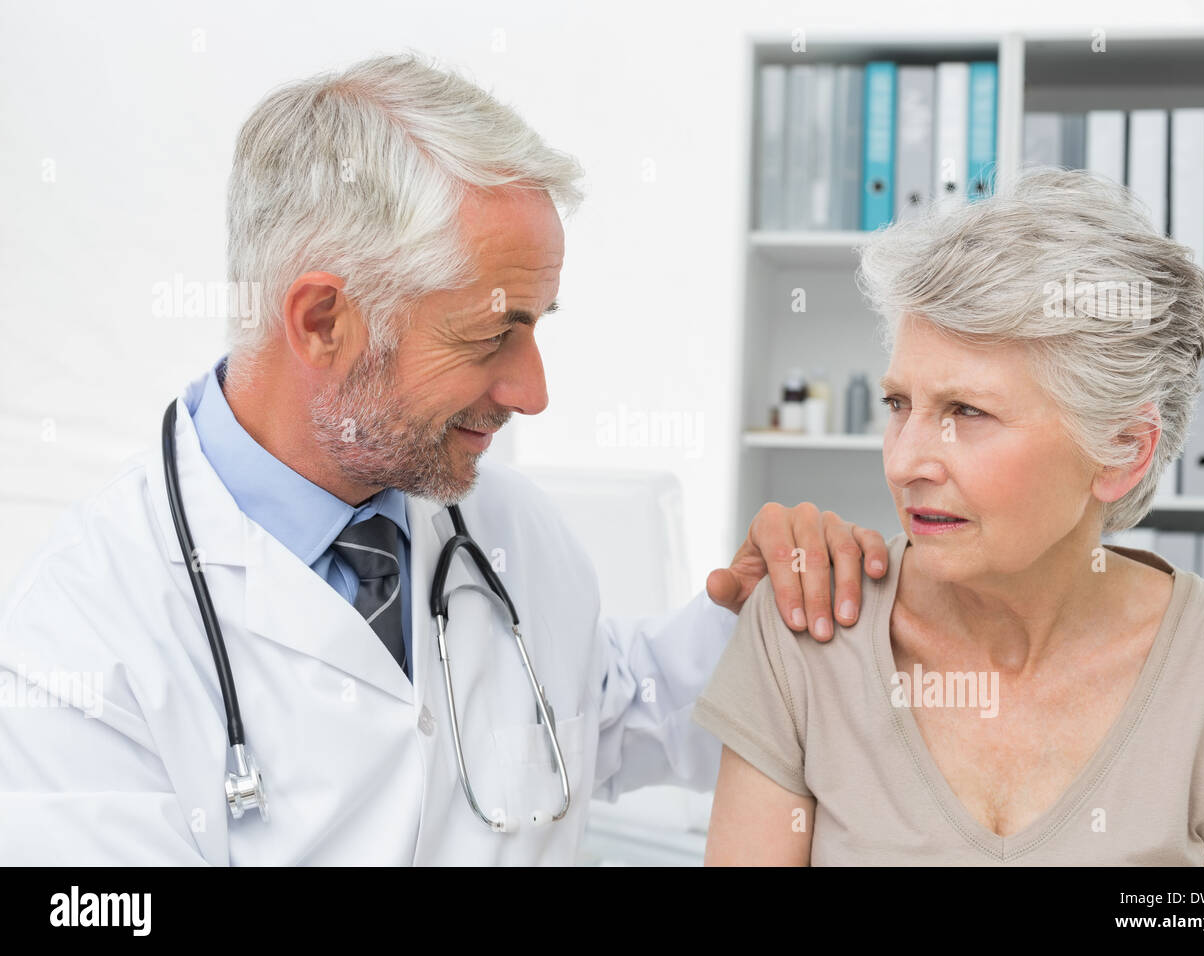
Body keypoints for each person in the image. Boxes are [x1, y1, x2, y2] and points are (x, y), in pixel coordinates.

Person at [0, 53, 896, 865]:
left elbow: (611, 718)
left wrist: (767, 620)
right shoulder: (83, 632)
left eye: (538, 329)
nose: (532, 389)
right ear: (322, 322)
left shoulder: (507, 530)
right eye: (493, 335)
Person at [693, 167, 1204, 866]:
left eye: (967, 412)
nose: (904, 462)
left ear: (1124, 452)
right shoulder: (807, 632)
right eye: (899, 405)